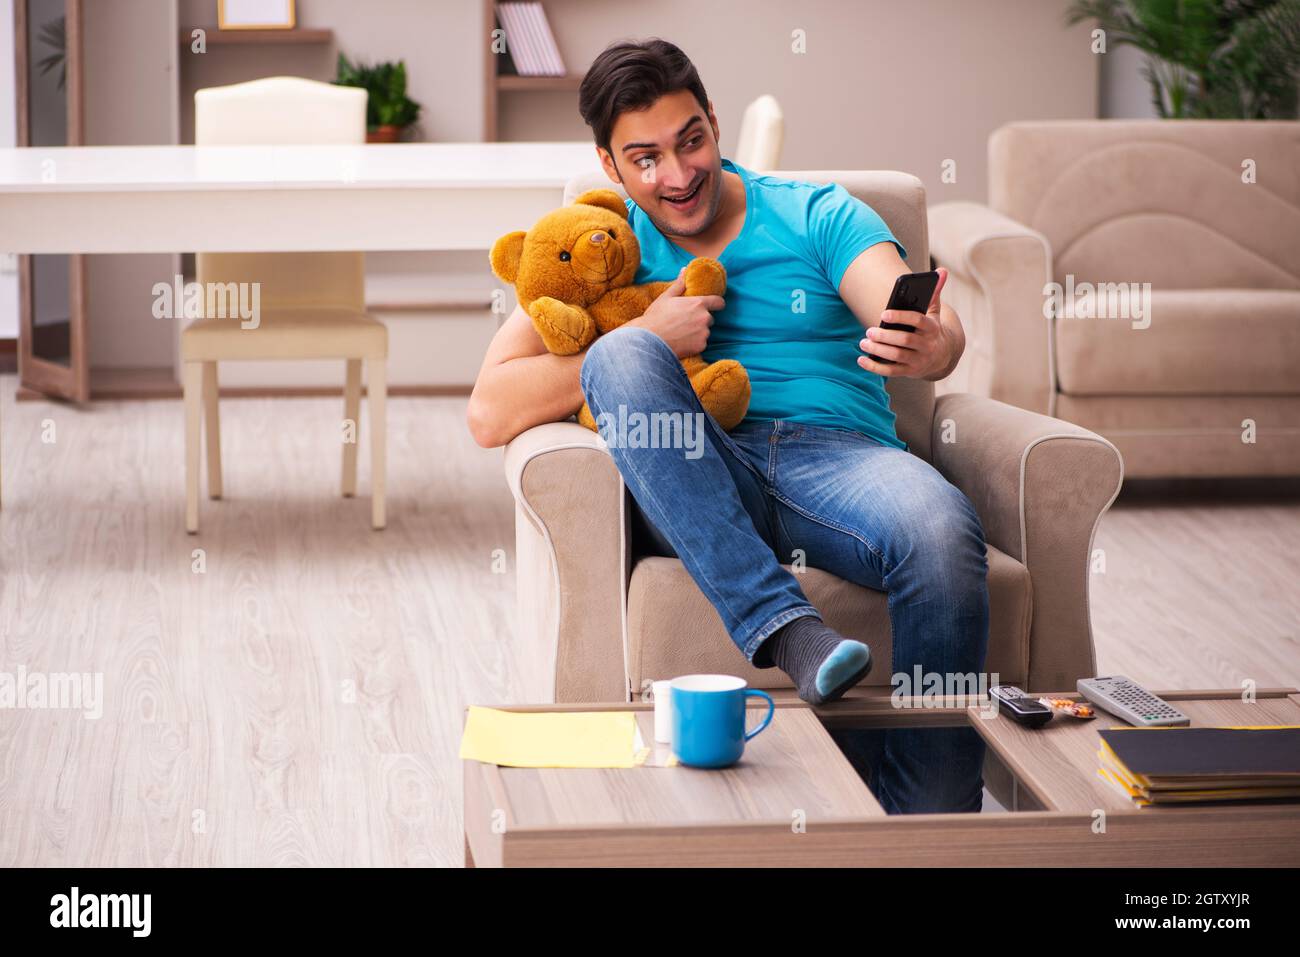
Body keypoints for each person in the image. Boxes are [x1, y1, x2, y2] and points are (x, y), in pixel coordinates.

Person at [469, 38, 989, 812]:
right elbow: (488, 411)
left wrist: (935, 344)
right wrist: (649, 338)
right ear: (610, 167)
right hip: (688, 465)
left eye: (691, 142)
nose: (676, 176)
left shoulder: (816, 212)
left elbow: (924, 323)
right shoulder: (599, 246)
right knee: (619, 359)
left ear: (714, 122)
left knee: (942, 532)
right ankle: (787, 632)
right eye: (644, 159)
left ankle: (930, 835)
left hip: (840, 463)